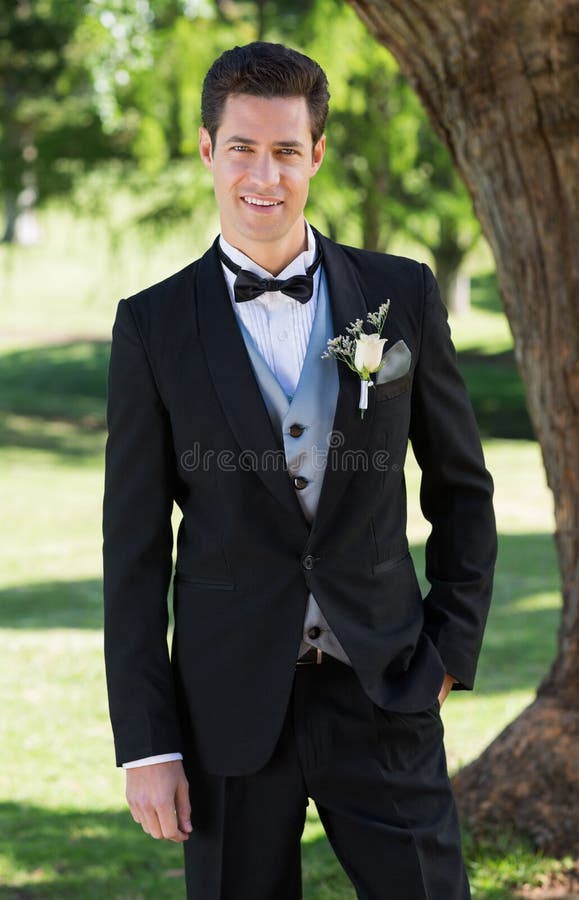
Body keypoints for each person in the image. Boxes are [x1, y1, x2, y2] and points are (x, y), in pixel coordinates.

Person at [103, 41, 497, 900]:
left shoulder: (402, 295)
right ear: (207, 151)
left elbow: (462, 491)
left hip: (385, 686)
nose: (264, 175)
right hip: (224, 711)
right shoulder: (151, 326)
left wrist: (445, 652)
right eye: (241, 147)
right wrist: (147, 744)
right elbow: (133, 552)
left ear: (316, 154)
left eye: (286, 150)